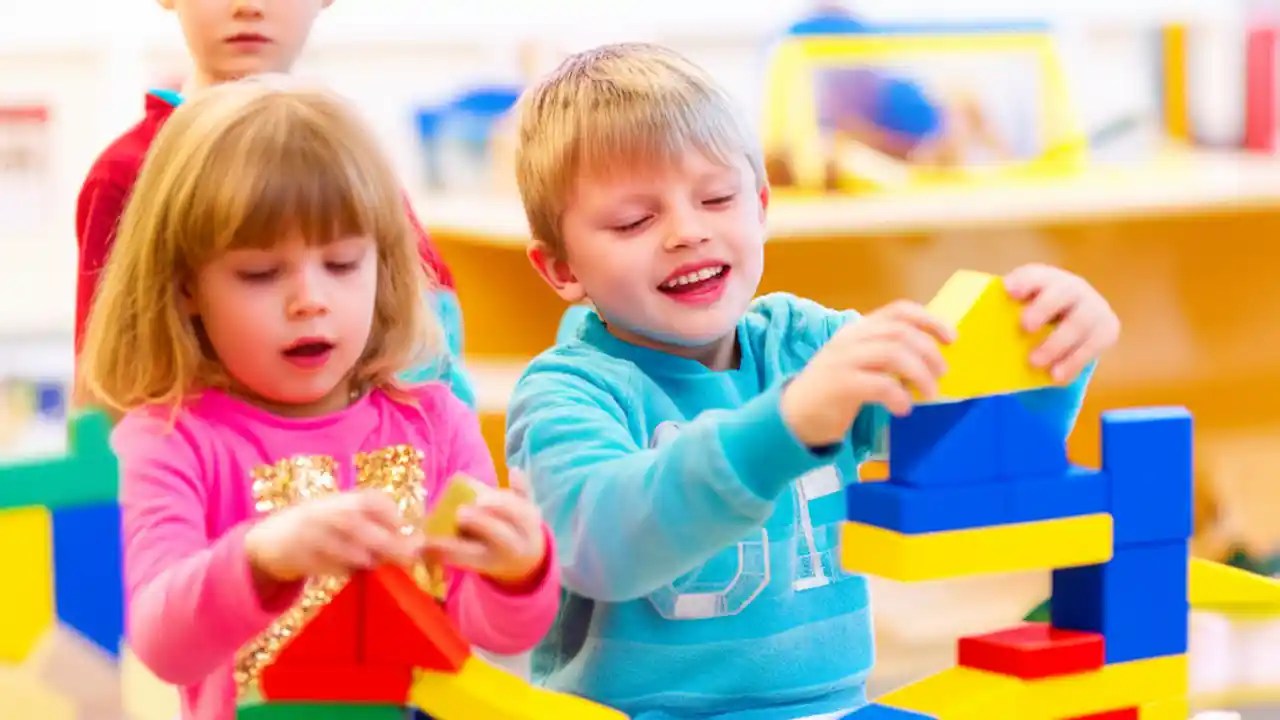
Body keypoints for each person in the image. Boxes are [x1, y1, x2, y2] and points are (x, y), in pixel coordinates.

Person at [505, 42, 1121, 719]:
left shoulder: (810, 344)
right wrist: (788, 424)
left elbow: (964, 469)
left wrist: (1048, 362)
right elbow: (606, 544)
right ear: (561, 268)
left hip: (833, 707)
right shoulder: (565, 393)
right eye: (634, 219)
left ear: (761, 206)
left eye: (716, 197)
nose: (687, 232)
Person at [77, 77, 558, 720]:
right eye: (261, 273)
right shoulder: (169, 440)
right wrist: (263, 555)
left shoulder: (434, 420)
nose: (311, 299)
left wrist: (518, 568)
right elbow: (163, 643)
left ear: (383, 265)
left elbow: (493, 631)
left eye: (341, 264)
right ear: (185, 285)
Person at [74, 0, 474, 404]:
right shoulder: (126, 172)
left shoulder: (349, 154)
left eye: (341, 263)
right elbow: (110, 386)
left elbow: (433, 353)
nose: (247, 6)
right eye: (259, 271)